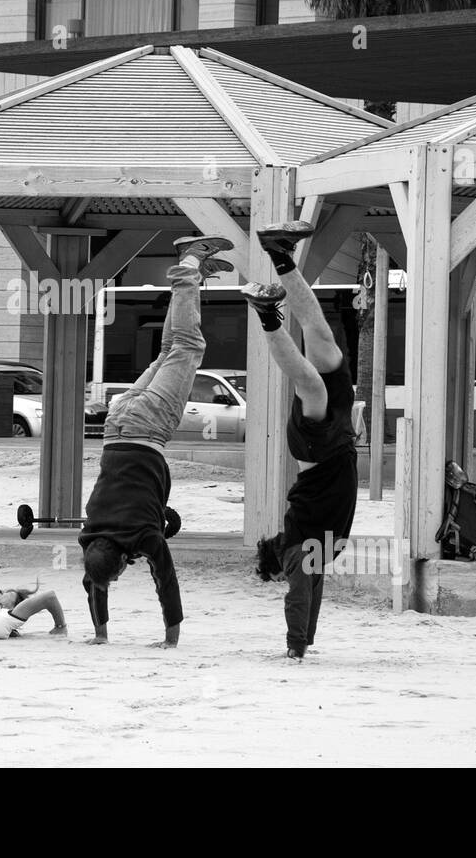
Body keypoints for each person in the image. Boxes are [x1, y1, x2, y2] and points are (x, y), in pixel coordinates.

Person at [77, 235, 233, 648]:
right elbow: (93, 580)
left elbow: (167, 582)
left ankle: (188, 265)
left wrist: (171, 640)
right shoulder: (90, 536)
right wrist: (100, 634)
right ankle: (194, 283)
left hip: (149, 428)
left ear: (120, 565)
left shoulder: (144, 536)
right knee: (168, 350)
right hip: (116, 425)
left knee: (188, 346)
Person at [243, 220, 358, 661]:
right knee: (325, 344)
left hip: (319, 451)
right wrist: (309, 639)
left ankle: (267, 314)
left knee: (312, 386)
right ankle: (280, 254)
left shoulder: (301, 552)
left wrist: (295, 649)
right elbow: (316, 597)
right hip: (340, 438)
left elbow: (300, 597)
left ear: (281, 565)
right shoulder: (318, 554)